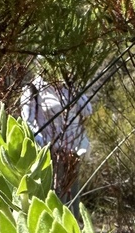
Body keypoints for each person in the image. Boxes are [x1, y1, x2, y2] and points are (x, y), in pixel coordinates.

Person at [20, 74, 92, 212]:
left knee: (72, 202)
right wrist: (44, 145)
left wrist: (76, 89)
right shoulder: (33, 89)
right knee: (54, 200)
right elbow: (28, 123)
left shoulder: (69, 87)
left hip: (73, 154)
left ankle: (72, 231)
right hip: (51, 156)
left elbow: (87, 111)